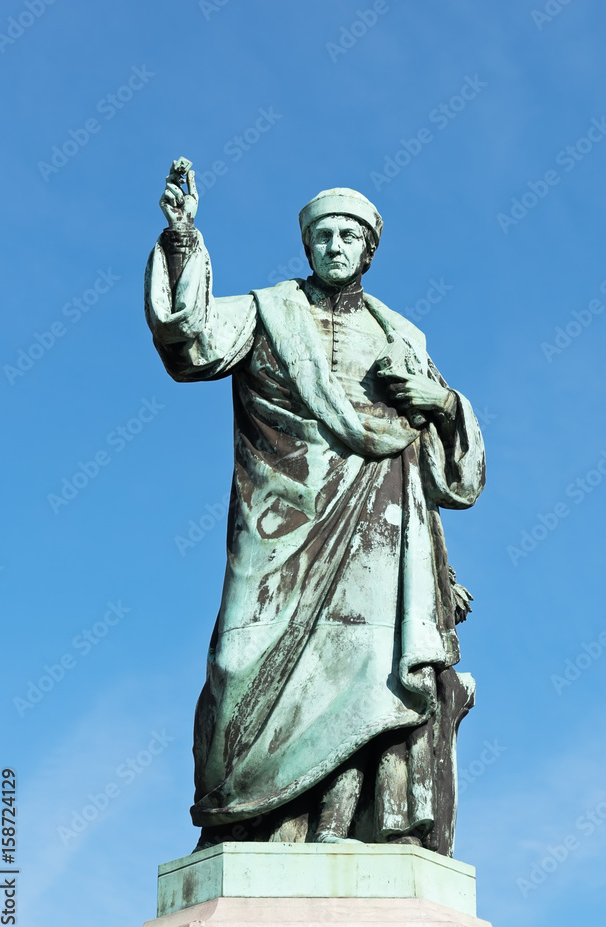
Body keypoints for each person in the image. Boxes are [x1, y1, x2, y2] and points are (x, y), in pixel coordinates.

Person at [144, 164, 486, 853]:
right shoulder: (270, 312)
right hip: (277, 524)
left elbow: (447, 477)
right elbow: (194, 341)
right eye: (323, 235)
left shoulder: (403, 337)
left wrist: (442, 406)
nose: (334, 245)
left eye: (348, 236)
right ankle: (248, 823)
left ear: (367, 251)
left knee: (367, 667)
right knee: (240, 663)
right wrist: (182, 245)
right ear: (308, 247)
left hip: (380, 532)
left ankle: (337, 827)